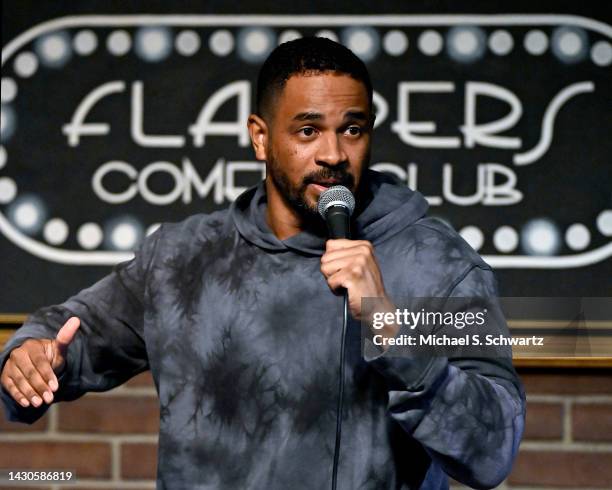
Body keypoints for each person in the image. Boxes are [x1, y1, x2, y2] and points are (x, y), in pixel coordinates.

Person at [1, 37, 525, 489]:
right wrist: (27, 357)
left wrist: (391, 329)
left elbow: (492, 449)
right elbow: (66, 333)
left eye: (353, 129)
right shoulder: (183, 258)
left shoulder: (434, 263)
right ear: (260, 137)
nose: (334, 154)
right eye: (307, 131)